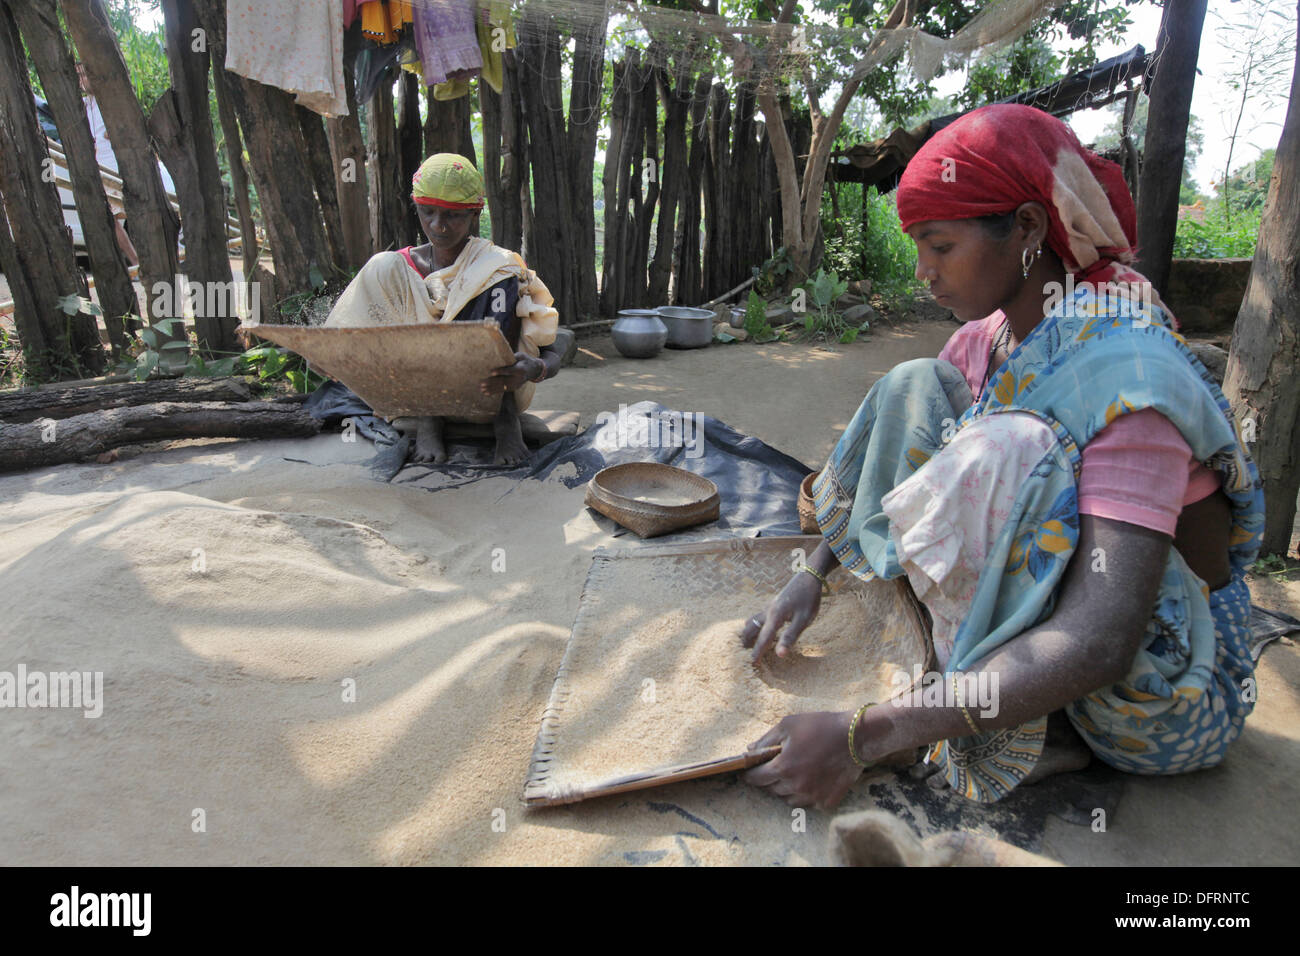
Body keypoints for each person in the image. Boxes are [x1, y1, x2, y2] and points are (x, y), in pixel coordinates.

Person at [739, 104, 1264, 810]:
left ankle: (1046, 724)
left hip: (1158, 678)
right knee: (915, 387)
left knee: (1007, 447)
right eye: (918, 247)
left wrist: (865, 735)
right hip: (1063, 616)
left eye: (940, 246)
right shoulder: (989, 341)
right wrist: (813, 575)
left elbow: (1102, 637)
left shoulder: (1125, 371)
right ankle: (972, 678)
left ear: (1026, 228)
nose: (922, 272)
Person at [324, 153, 561, 465]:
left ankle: (505, 421)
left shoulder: (495, 264)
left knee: (504, 272)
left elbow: (556, 348)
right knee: (381, 264)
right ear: (416, 207)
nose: (438, 225)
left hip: (491, 390)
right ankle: (429, 417)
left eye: (453, 216)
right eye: (428, 212)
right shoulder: (400, 270)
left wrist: (535, 368)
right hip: (417, 392)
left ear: (475, 212)